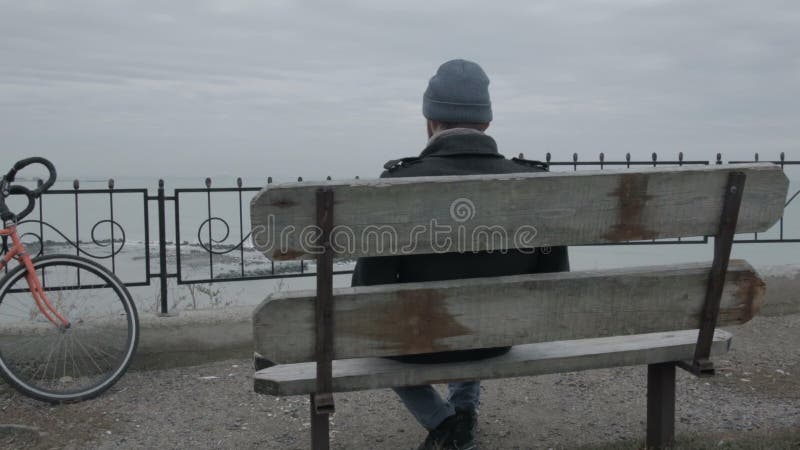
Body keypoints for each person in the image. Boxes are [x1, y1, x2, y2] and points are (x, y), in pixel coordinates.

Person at [351, 59, 569, 450]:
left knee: (380, 331)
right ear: (486, 123)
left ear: (430, 120)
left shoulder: (397, 185)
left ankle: (444, 421)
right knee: (476, 307)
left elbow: (369, 290)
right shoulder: (535, 184)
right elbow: (554, 277)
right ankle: (463, 411)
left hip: (419, 346)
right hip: (498, 335)